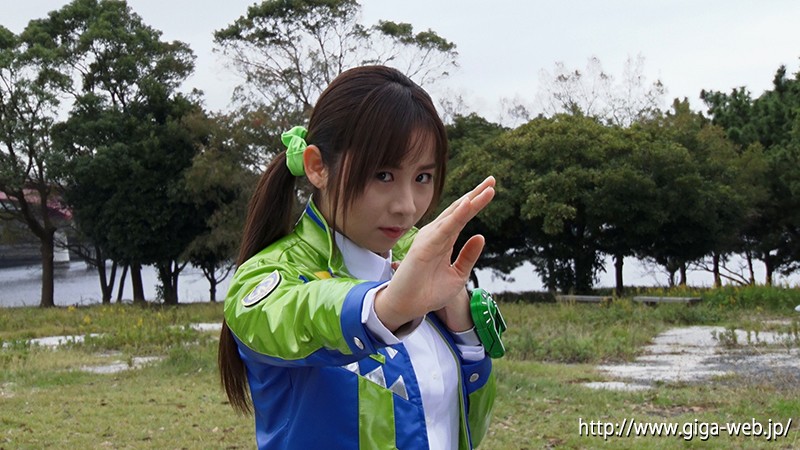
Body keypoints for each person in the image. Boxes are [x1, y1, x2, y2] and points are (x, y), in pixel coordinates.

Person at [219, 65, 498, 450]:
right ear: (317, 167)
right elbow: (298, 313)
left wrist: (466, 330)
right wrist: (384, 309)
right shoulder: (267, 278)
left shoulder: (425, 261)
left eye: (422, 177)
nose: (407, 206)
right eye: (383, 175)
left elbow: (460, 426)